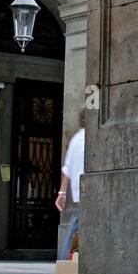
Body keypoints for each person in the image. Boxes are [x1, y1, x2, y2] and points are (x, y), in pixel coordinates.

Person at [55, 109, 85, 260]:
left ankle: (64, 262)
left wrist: (62, 193)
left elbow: (67, 169)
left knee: (77, 224)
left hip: (79, 192)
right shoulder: (93, 138)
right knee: (77, 224)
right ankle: (64, 262)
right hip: (91, 189)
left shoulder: (75, 139)